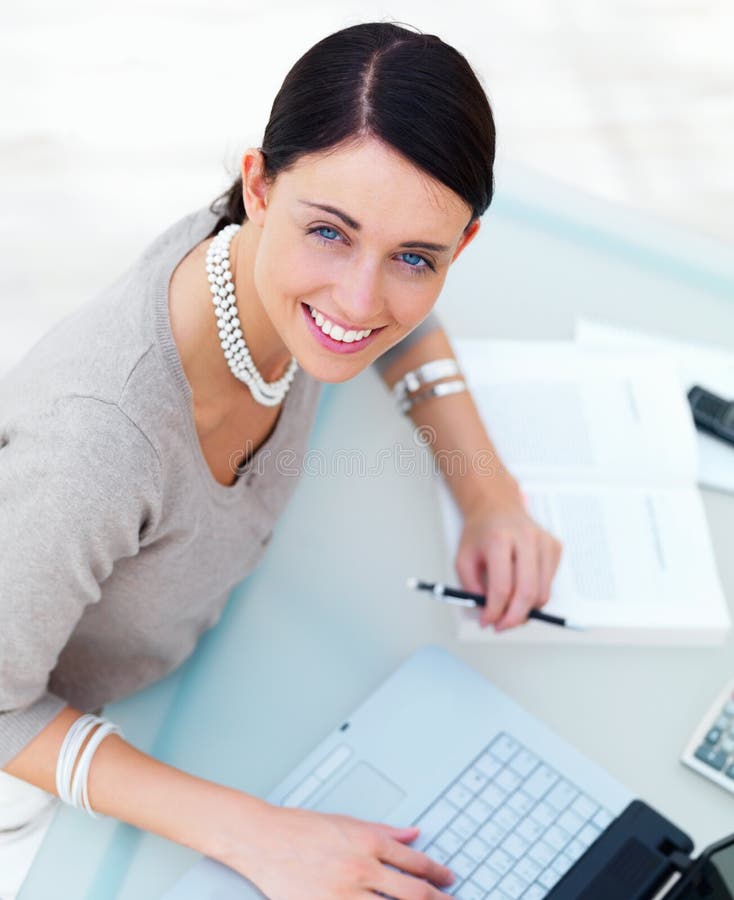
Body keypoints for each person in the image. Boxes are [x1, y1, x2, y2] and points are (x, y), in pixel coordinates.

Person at [0, 21, 562, 899]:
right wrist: (260, 837)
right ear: (259, 185)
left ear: (462, 248)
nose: (360, 297)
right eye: (331, 234)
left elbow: (379, 325)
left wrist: (487, 490)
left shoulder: (275, 266)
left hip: (214, 676)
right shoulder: (99, 442)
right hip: (60, 761)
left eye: (416, 256)